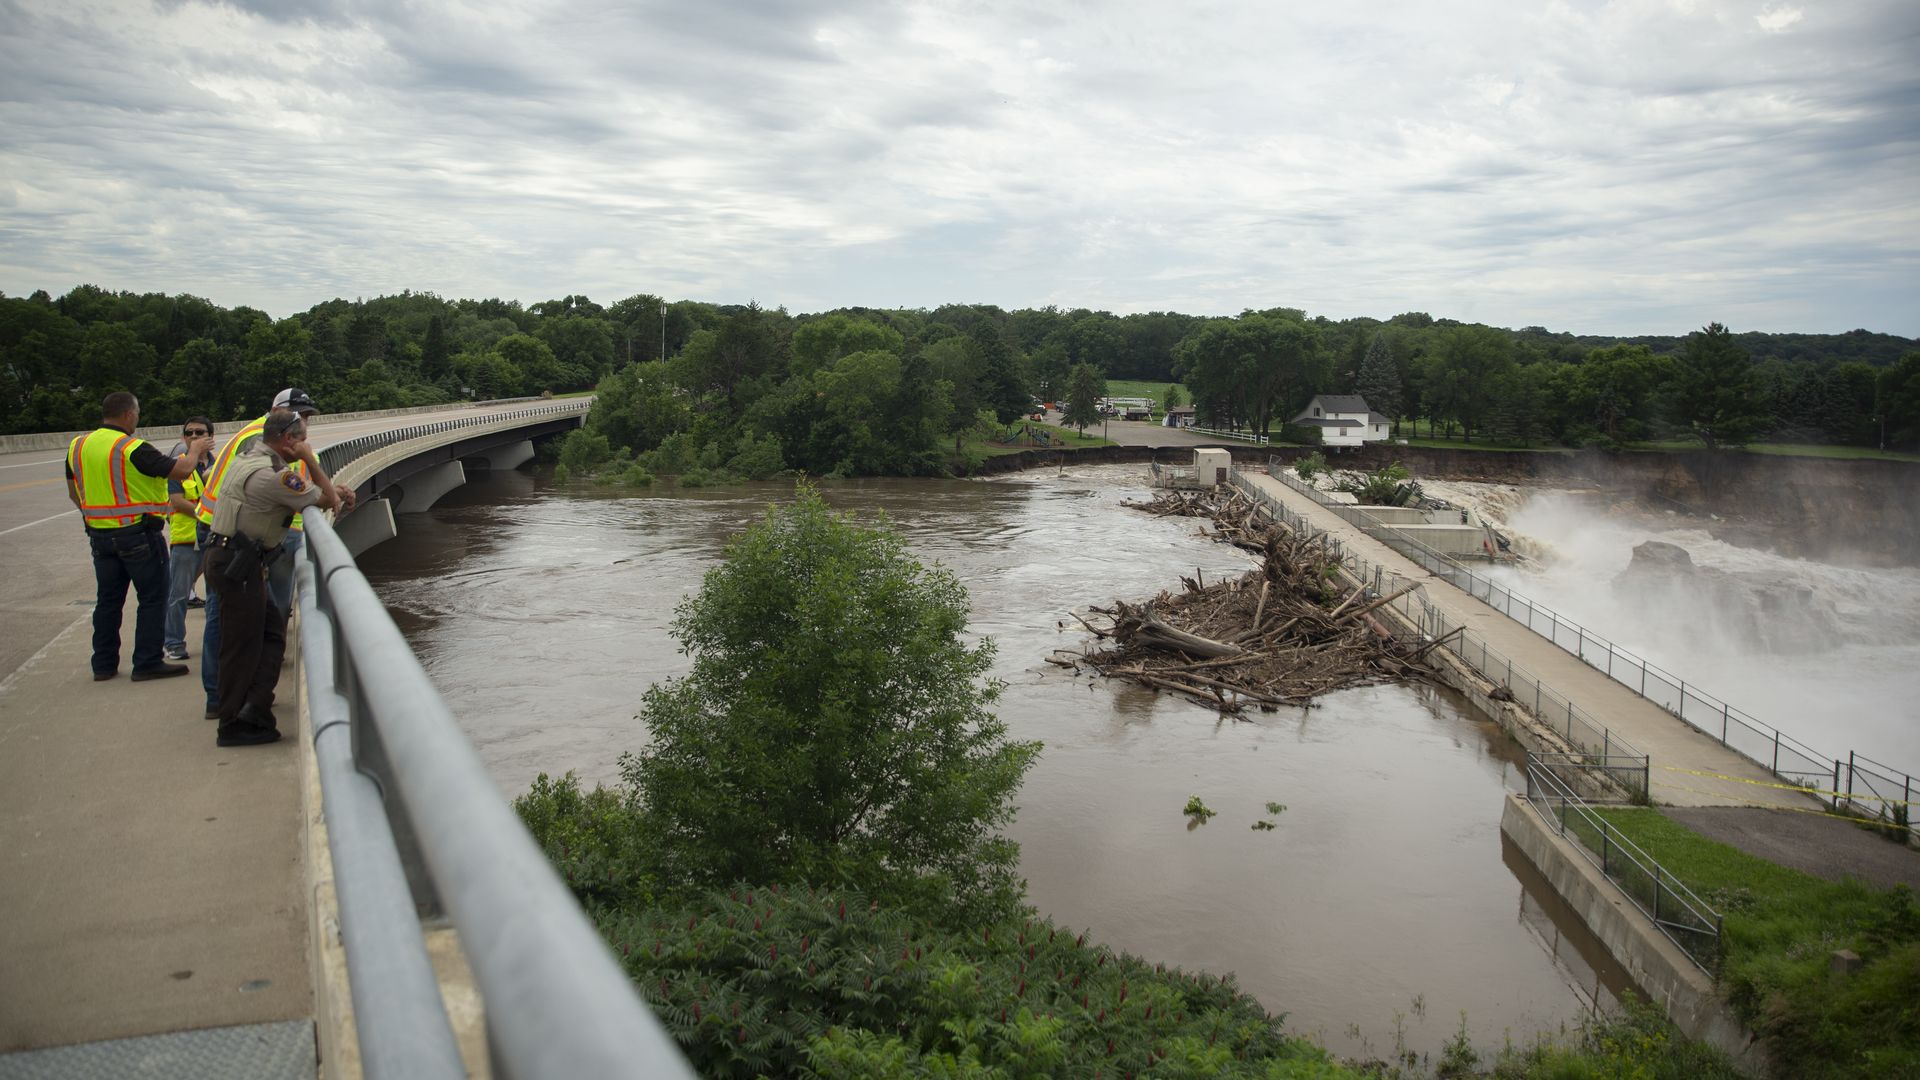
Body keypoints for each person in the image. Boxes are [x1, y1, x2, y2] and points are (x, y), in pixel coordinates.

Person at [195, 387, 342, 718]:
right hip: (238, 561)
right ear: (288, 439)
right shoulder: (276, 474)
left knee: (263, 631)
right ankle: (232, 715)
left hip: (226, 552)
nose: (306, 440)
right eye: (302, 434)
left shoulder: (251, 456)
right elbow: (326, 499)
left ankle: (244, 705)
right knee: (241, 641)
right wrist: (305, 458)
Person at [65, 392, 212, 681]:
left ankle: (103, 665)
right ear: (129, 415)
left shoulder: (77, 446)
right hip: (138, 535)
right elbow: (182, 470)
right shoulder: (131, 447)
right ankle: (147, 662)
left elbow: (74, 493)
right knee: (153, 598)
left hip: (100, 537)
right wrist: (194, 450)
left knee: (107, 600)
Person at [163, 417, 215, 661]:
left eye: (199, 432)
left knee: (216, 594)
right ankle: (173, 643)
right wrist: (206, 516)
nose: (193, 437)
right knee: (179, 595)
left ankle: (216, 643)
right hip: (186, 540)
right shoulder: (178, 467)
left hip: (215, 538)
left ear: (210, 438)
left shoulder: (220, 465)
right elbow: (176, 500)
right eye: (189, 433)